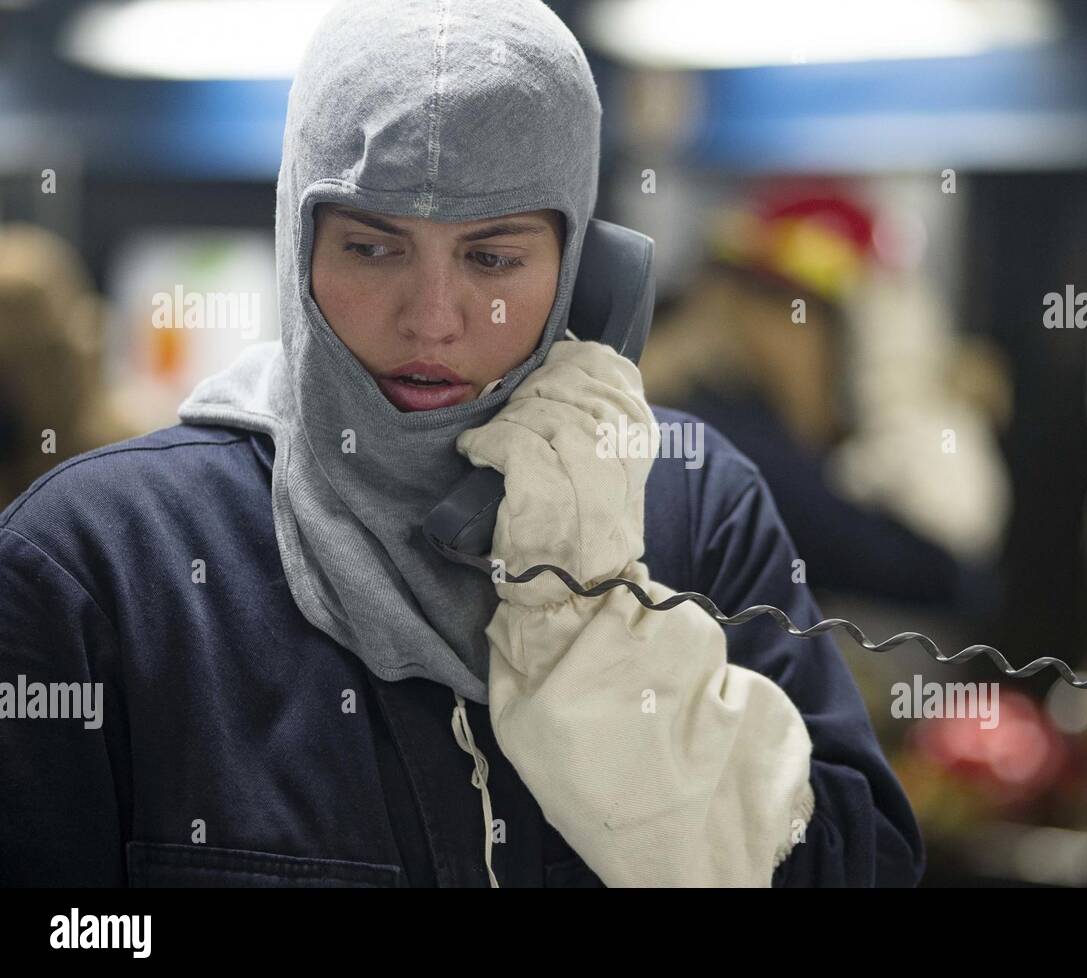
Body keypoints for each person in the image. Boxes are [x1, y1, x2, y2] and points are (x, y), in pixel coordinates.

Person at [0, 0, 922, 887]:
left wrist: (598, 634)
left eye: (493, 258)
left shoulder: (694, 503)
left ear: (585, 272)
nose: (433, 321)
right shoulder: (97, 563)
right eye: (372, 248)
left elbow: (855, 865)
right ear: (297, 242)